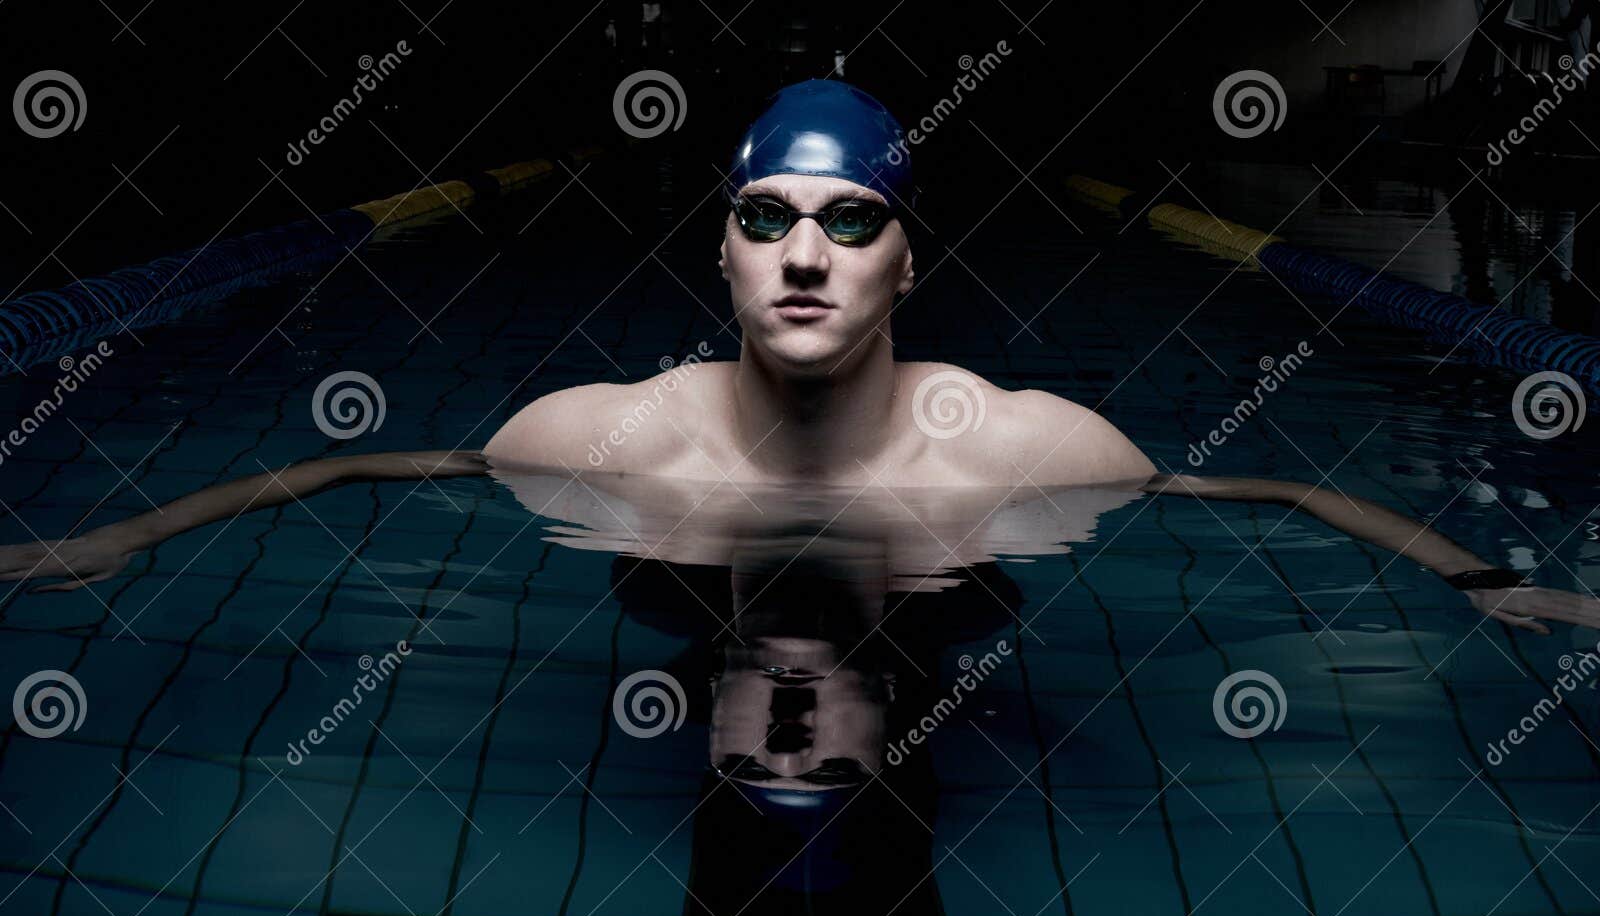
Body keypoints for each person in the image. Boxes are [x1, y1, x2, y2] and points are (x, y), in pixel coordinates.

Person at [2, 79, 1598, 641]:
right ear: (720, 246)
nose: (808, 251)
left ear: (909, 252)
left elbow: (1260, 485)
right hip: (691, 585)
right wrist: (119, 534)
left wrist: (1482, 584)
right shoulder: (614, 435)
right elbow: (363, 461)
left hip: (930, 610)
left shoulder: (1019, 448)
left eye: (851, 220)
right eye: (768, 214)